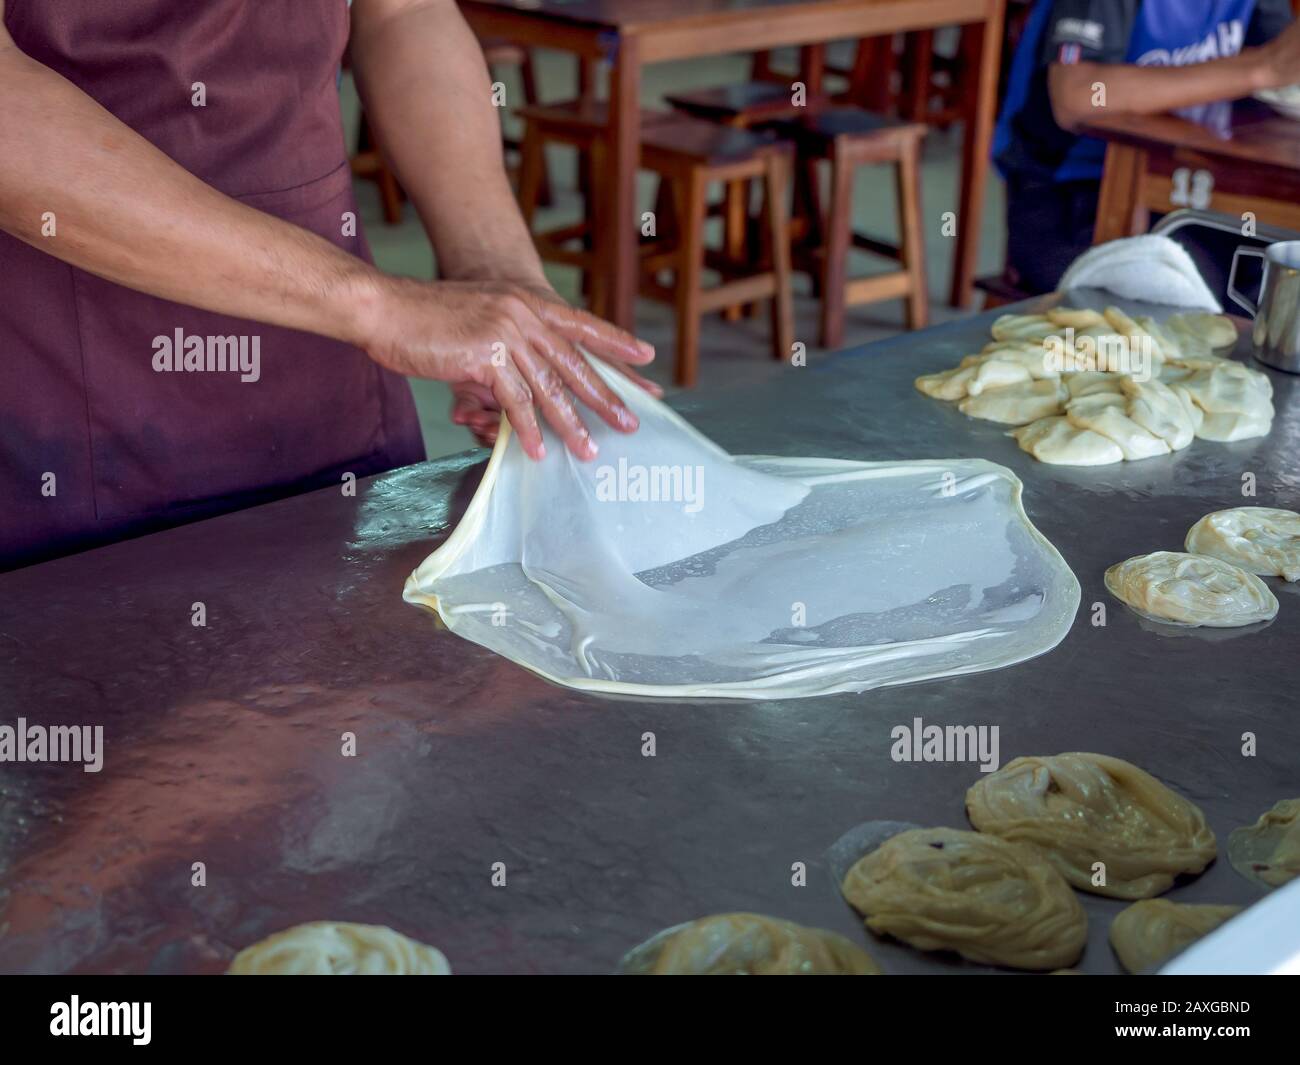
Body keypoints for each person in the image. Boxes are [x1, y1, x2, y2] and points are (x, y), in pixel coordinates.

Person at [0, 0, 658, 571]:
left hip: (330, 367)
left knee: (361, 679)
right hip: (77, 376)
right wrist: (374, 304)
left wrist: (499, 275)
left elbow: (406, 13)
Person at [994, 0, 1300, 294]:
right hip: (1075, 194)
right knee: (1191, 293)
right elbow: (1077, 96)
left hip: (1197, 193)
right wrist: (1262, 69)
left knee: (1280, 272)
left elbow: (1282, 64)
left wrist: (1272, 67)